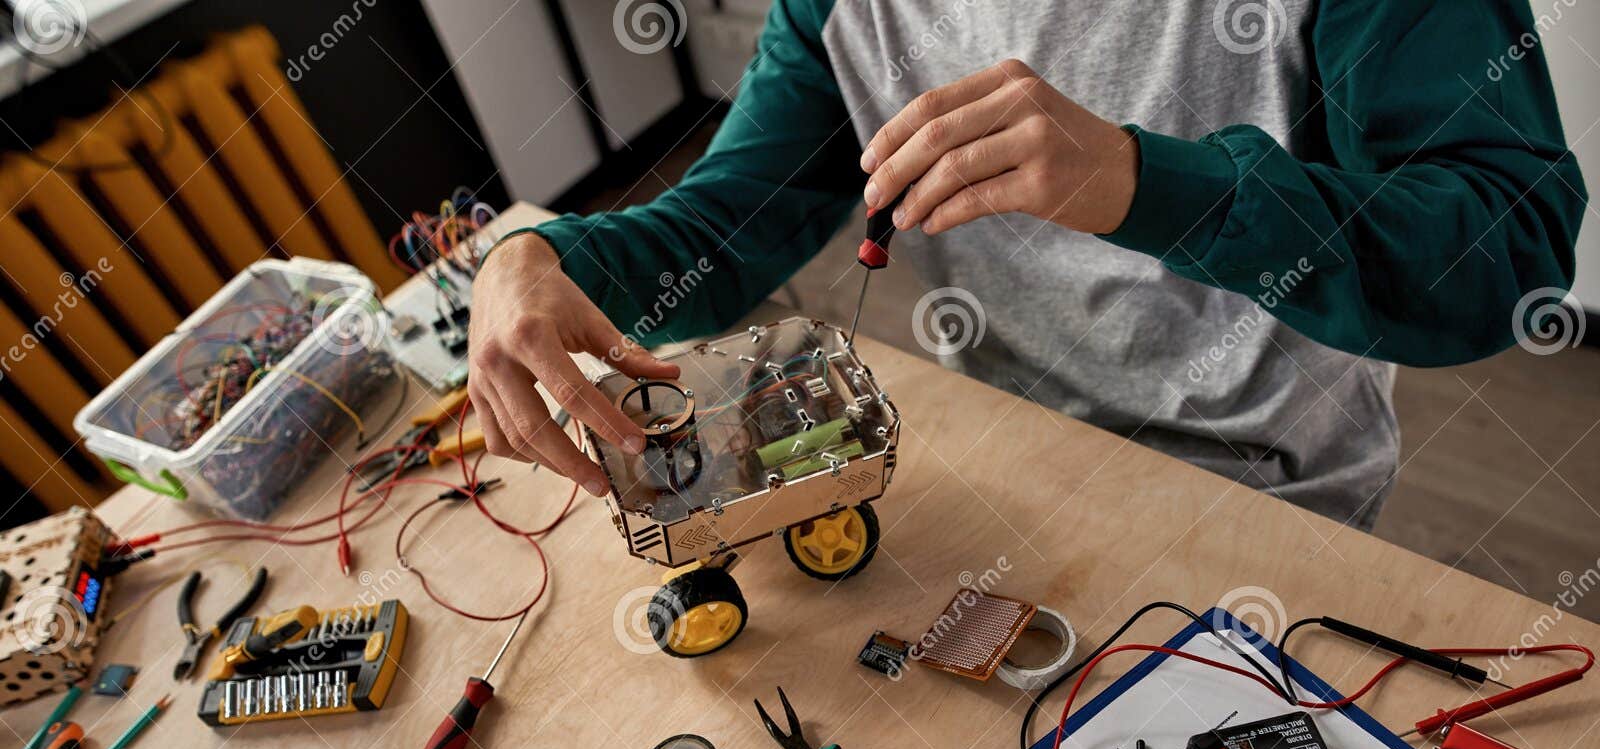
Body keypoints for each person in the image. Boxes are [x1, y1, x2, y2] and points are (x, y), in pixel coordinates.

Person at [466, 0, 1585, 529]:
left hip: (1267, 486)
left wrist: (1144, 184)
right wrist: (537, 256)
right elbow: (722, 225)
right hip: (1012, 458)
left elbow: (1505, 249)